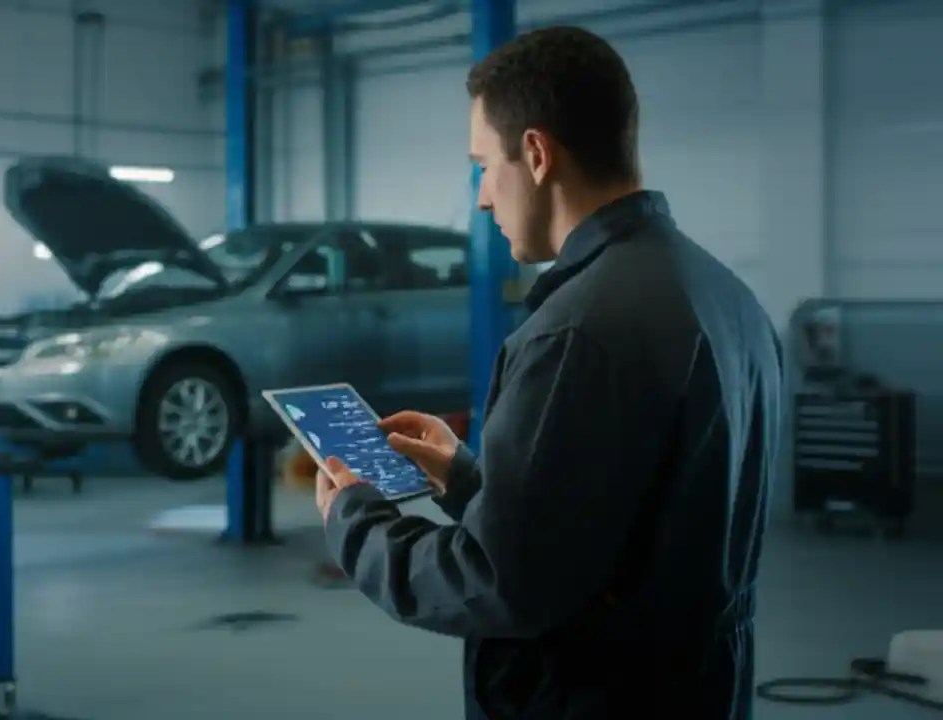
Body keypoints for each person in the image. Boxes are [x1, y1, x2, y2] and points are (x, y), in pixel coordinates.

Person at [313, 25, 783, 720]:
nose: (480, 199)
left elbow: (499, 585)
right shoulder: (725, 296)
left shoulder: (575, 331)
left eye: (483, 166)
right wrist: (466, 477)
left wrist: (352, 518)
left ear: (535, 154)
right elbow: (620, 527)